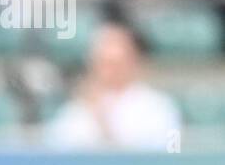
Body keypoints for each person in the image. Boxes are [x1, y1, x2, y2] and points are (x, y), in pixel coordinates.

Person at [46, 18, 180, 151]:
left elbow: (165, 155)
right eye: (102, 62)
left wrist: (104, 124)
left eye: (115, 63)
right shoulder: (76, 110)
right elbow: (57, 152)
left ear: (133, 60)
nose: (108, 71)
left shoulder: (157, 107)